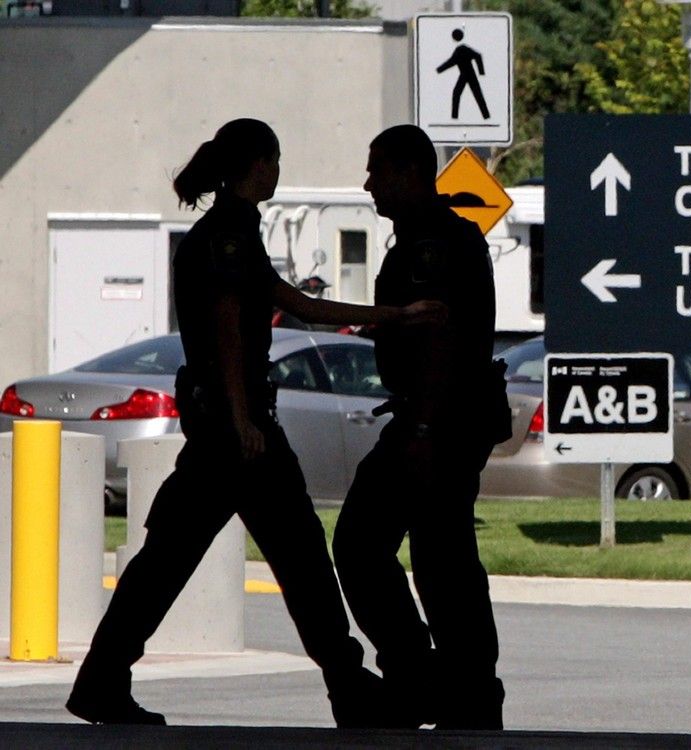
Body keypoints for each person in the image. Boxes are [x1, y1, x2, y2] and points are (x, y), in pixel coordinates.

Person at [66, 118, 443, 727]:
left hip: (227, 433)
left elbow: (300, 305)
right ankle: (347, 688)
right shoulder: (228, 237)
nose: (278, 171)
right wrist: (243, 420)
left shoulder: (229, 232)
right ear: (258, 165)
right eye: (276, 160)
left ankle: (103, 679)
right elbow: (227, 326)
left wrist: (395, 315)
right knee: (293, 561)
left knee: (177, 559)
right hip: (239, 437)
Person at [332, 124, 507, 730]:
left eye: (377, 170)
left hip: (439, 421)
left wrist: (424, 432)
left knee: (407, 552)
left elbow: (439, 340)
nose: (368, 183)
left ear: (409, 173)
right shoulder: (422, 238)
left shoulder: (433, 245)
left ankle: (444, 681)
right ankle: (447, 682)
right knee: (433, 553)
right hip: (430, 418)